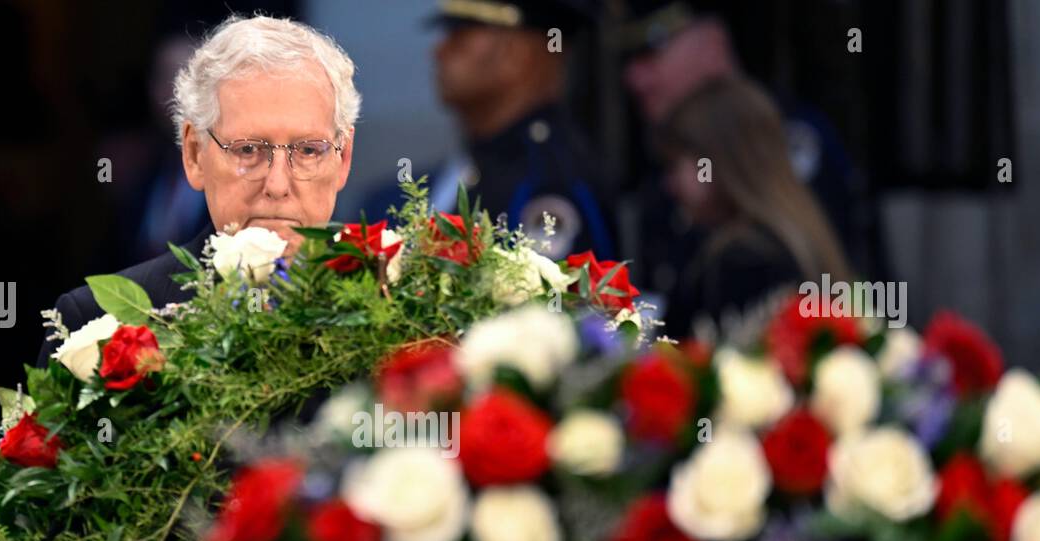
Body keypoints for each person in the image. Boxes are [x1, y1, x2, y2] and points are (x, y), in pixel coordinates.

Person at [39, 14, 360, 363]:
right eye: (248, 150)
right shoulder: (95, 328)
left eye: (308, 150)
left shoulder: (407, 312)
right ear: (194, 155)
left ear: (343, 159)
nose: (277, 185)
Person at [617, 0, 878, 306]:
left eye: (651, 54)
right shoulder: (658, 171)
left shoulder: (787, 138)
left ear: (712, 43)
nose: (634, 78)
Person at [362, 0, 617, 260]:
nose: (437, 51)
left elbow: (552, 299)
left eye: (460, 35)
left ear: (517, 55)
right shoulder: (474, 165)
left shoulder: (551, 181)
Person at [652, 77, 853, 339]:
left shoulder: (737, 260)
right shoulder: (805, 237)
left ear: (713, 163)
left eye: (674, 165)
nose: (668, 185)